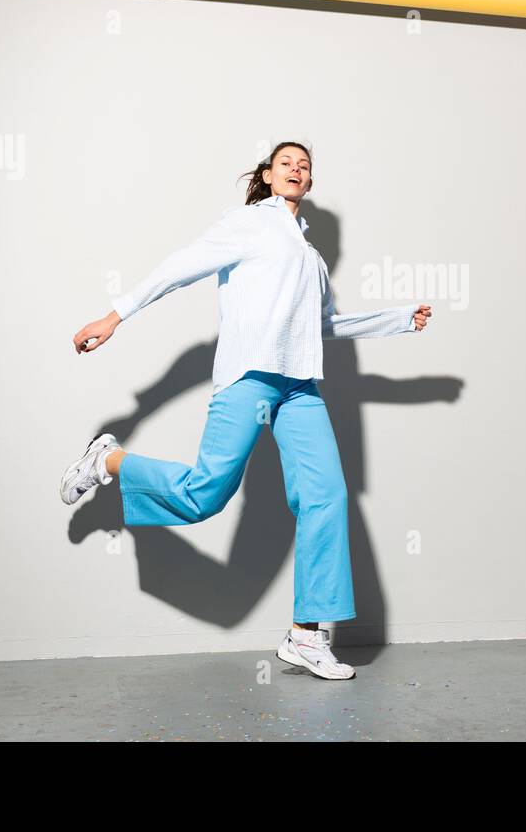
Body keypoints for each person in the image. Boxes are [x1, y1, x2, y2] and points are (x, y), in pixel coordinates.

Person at [58, 141, 432, 679]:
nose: (297, 169)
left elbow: (323, 328)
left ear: (310, 181)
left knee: (326, 496)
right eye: (286, 162)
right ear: (267, 175)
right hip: (250, 375)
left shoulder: (312, 258)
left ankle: (306, 636)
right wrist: (116, 315)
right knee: (205, 493)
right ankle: (107, 461)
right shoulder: (250, 224)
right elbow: (183, 266)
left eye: (305, 165)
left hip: (300, 388)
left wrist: (397, 318)